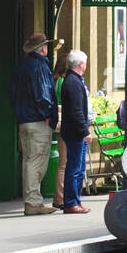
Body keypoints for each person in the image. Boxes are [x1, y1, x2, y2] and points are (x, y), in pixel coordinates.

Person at [8, 32, 59, 216]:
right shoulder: (40, 67)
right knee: (36, 162)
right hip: (37, 121)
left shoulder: (21, 67)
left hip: (24, 121)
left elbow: (12, 95)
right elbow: (43, 94)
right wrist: (47, 114)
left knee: (29, 161)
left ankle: (33, 200)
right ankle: (33, 202)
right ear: (43, 49)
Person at [60, 49, 92, 214]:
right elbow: (76, 111)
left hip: (75, 132)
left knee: (77, 168)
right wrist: (84, 131)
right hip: (75, 133)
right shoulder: (73, 83)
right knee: (75, 168)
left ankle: (75, 201)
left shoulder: (73, 81)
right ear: (81, 64)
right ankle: (71, 202)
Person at [51, 53, 71, 209]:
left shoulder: (55, 80)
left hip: (58, 124)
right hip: (65, 123)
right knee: (64, 163)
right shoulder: (64, 81)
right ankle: (60, 197)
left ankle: (60, 197)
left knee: (63, 162)